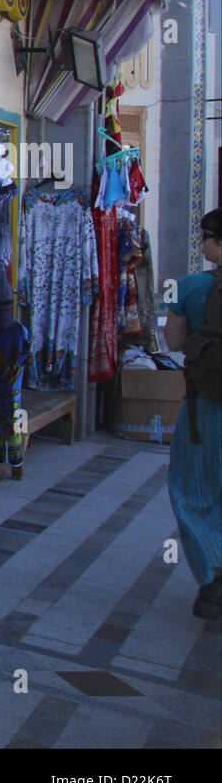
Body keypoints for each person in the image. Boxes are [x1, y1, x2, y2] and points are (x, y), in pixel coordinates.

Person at [164, 208, 222, 620]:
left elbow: (172, 340)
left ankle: (213, 576)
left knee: (193, 490)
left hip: (206, 408)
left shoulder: (189, 287)